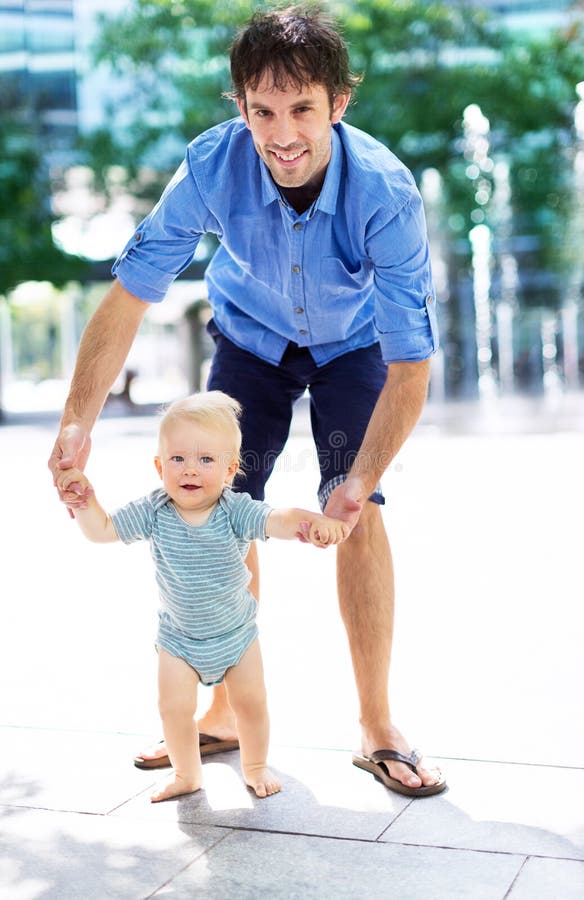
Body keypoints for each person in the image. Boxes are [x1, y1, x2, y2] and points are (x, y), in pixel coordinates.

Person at [49, 4, 446, 797]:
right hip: (253, 341)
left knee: (359, 506)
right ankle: (228, 710)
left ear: (339, 103)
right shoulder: (211, 166)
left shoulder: (387, 195)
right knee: (217, 504)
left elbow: (410, 367)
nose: (282, 133)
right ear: (240, 108)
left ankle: (377, 725)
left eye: (302, 108)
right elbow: (130, 296)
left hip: (352, 346)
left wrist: (357, 479)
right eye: (262, 111)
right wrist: (75, 421)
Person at [55, 390, 349, 802]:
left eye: (206, 460)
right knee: (173, 711)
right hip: (178, 641)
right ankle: (187, 774)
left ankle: (255, 765)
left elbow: (276, 519)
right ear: (160, 466)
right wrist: (85, 501)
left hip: (236, 637)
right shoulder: (154, 510)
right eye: (178, 459)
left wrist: (310, 523)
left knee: (251, 705)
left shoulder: (235, 510)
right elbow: (102, 530)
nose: (190, 470)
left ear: (230, 470)